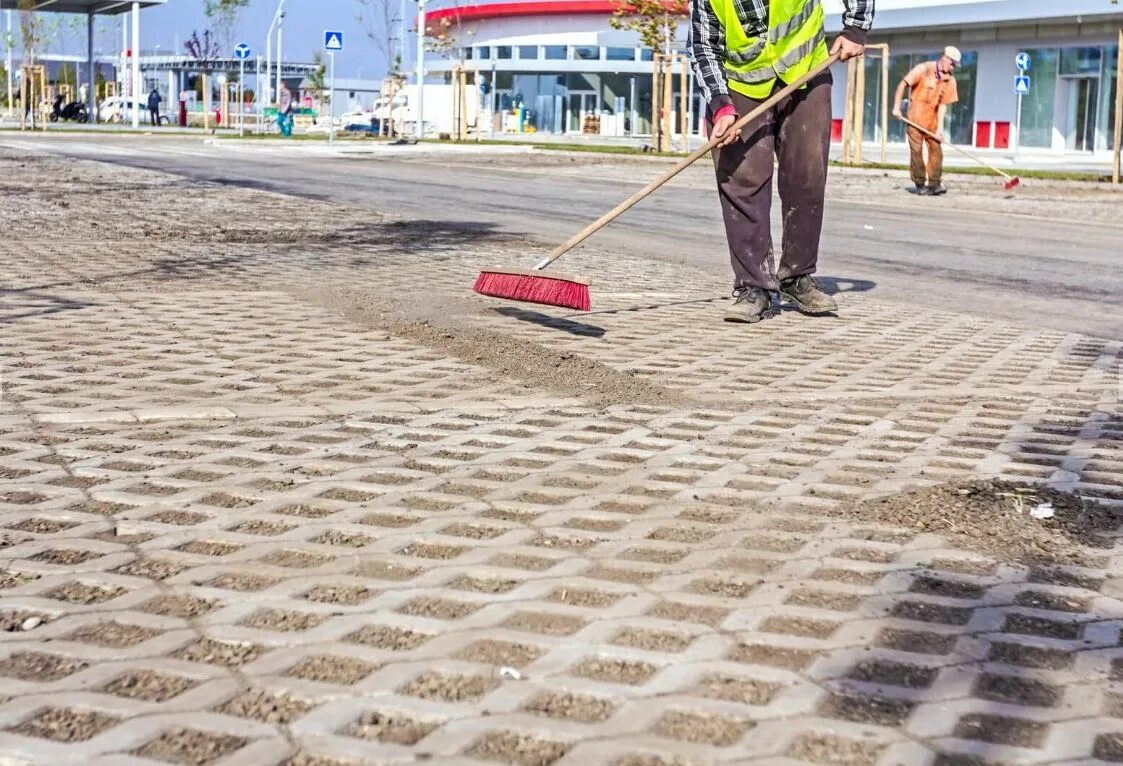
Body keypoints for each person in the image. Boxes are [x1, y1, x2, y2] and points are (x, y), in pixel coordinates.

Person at [691, 0, 874, 324]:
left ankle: (797, 277)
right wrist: (720, 104)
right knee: (740, 182)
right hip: (740, 86)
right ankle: (753, 286)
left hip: (807, 69)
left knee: (806, 176)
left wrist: (856, 26)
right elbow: (703, 45)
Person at [893, 46, 960, 196]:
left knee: (936, 150)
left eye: (955, 65)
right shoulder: (923, 69)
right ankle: (919, 183)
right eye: (952, 63)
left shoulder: (950, 81)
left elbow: (943, 105)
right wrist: (896, 108)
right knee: (916, 151)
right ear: (944, 58)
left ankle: (934, 183)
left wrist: (940, 129)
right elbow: (903, 84)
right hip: (914, 118)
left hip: (932, 121)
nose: (953, 67)